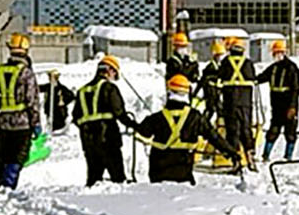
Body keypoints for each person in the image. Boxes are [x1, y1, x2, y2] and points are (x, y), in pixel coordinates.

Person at [136, 74, 241, 184]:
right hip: (182, 170)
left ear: (168, 92)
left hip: (158, 171)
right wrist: (232, 153)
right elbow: (214, 137)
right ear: (187, 93)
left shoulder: (157, 118)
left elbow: (141, 133)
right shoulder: (196, 118)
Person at [0, 33, 41, 193]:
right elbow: (32, 101)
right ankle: (7, 186)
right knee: (17, 157)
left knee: (1, 156)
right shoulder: (26, 73)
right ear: (25, 51)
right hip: (22, 122)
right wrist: (36, 124)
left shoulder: (0, 70)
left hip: (4, 121)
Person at [75, 54, 139, 186]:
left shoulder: (82, 91)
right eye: (114, 73)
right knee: (118, 177)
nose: (114, 77)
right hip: (108, 139)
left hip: (88, 141)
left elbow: (76, 117)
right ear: (109, 70)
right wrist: (135, 125)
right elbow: (119, 113)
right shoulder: (110, 89)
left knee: (93, 178)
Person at [213, 37, 259, 165]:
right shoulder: (248, 63)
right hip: (245, 102)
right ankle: (250, 155)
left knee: (232, 130)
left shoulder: (226, 62)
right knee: (246, 129)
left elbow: (219, 78)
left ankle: (236, 159)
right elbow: (253, 79)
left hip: (230, 101)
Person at [256, 39, 299, 161]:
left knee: (290, 132)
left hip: (288, 104)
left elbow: (296, 89)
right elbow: (261, 77)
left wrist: (293, 107)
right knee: (273, 131)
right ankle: (266, 155)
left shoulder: (292, 68)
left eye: (279, 53)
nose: (277, 56)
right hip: (276, 105)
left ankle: (288, 156)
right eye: (275, 53)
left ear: (284, 52)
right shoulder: (273, 68)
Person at [198, 38, 227, 124]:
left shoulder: (223, 66)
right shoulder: (210, 67)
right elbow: (203, 80)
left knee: (220, 110)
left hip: (218, 91)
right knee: (211, 109)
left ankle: (220, 126)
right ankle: (203, 123)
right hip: (211, 92)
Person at [45, 68, 74, 132]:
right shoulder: (48, 88)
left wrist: (63, 101)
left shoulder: (61, 88)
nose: (49, 79)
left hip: (59, 114)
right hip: (50, 114)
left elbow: (71, 96)